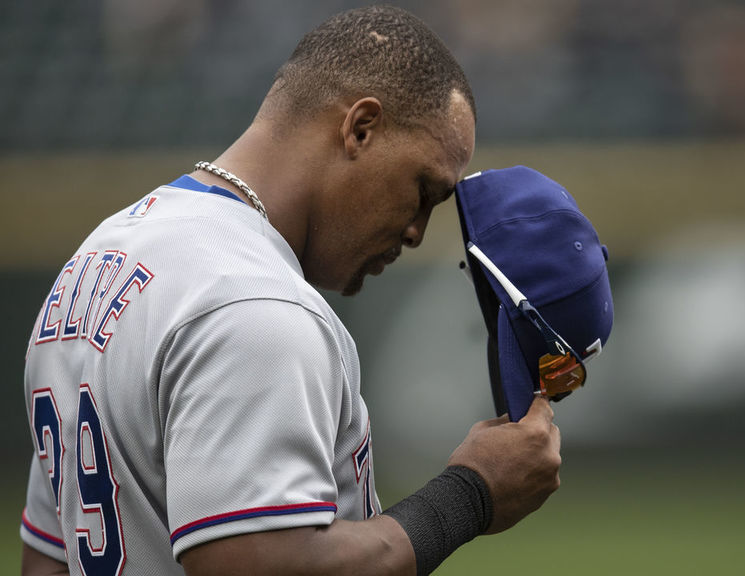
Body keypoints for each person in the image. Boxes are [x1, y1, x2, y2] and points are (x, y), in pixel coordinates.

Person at [20, 6, 561, 575]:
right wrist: (469, 496)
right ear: (360, 128)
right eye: (423, 189)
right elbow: (264, 565)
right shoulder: (256, 306)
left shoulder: (96, 261)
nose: (416, 231)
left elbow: (47, 562)